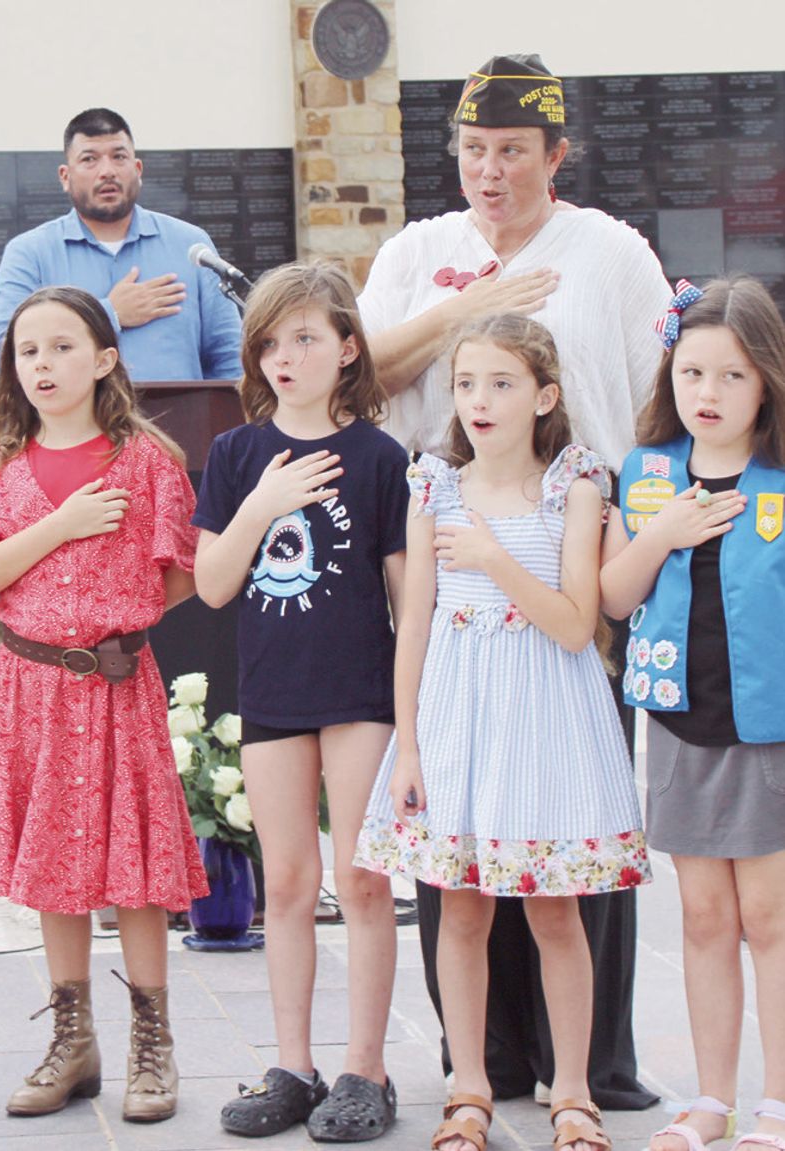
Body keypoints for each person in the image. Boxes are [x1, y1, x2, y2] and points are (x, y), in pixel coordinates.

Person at [357, 54, 671, 1109]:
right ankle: (477, 1067)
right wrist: (471, 308)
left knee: (573, 799)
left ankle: (594, 1067)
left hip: (573, 546)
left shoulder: (611, 252)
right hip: (444, 554)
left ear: (555, 155)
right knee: (463, 824)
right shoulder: (417, 251)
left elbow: (648, 402)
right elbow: (361, 377)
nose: (491, 173)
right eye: (475, 152)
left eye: (514, 153)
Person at [355, 314, 651, 1151]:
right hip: (459, 715)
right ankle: (470, 1087)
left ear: (544, 396)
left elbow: (572, 624)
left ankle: (573, 1090)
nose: (479, 401)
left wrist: (492, 560)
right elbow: (414, 622)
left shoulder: (577, 487)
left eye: (502, 383)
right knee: (462, 913)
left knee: (558, 913)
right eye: (466, 384)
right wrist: (407, 743)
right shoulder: (433, 487)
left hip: (546, 714)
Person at [0, 285, 207, 1123]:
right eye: (28, 351)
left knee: (133, 872)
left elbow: (179, 573)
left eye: (63, 347)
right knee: (51, 877)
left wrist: (115, 614)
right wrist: (62, 527)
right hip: (29, 690)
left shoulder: (146, 461)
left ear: (104, 360)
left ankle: (152, 1041)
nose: (43, 365)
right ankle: (73, 1039)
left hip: (113, 686)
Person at [193, 264, 408, 1141]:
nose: (286, 356)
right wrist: (263, 504)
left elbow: (404, 596)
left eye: (307, 338)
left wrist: (415, 716)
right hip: (273, 693)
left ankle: (366, 1067)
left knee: (361, 879)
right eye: (270, 343)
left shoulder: (381, 458)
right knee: (286, 883)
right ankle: (293, 1063)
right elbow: (210, 583)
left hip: (360, 691)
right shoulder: (240, 454)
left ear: (348, 348)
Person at [599, 277, 785, 1151]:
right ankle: (713, 1100)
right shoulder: (645, 473)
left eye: (733, 377)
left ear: (768, 383)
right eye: (692, 373)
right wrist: (661, 533)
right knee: (705, 918)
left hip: (771, 727)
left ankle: (777, 1101)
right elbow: (610, 596)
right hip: (677, 722)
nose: (707, 395)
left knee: (771, 917)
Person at [0, 107, 242, 383]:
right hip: (77, 426)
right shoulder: (30, 253)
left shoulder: (191, 245)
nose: (107, 171)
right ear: (65, 176)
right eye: (89, 159)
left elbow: (230, 356)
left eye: (119, 157)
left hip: (180, 423)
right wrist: (110, 313)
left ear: (138, 169)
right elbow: (5, 353)